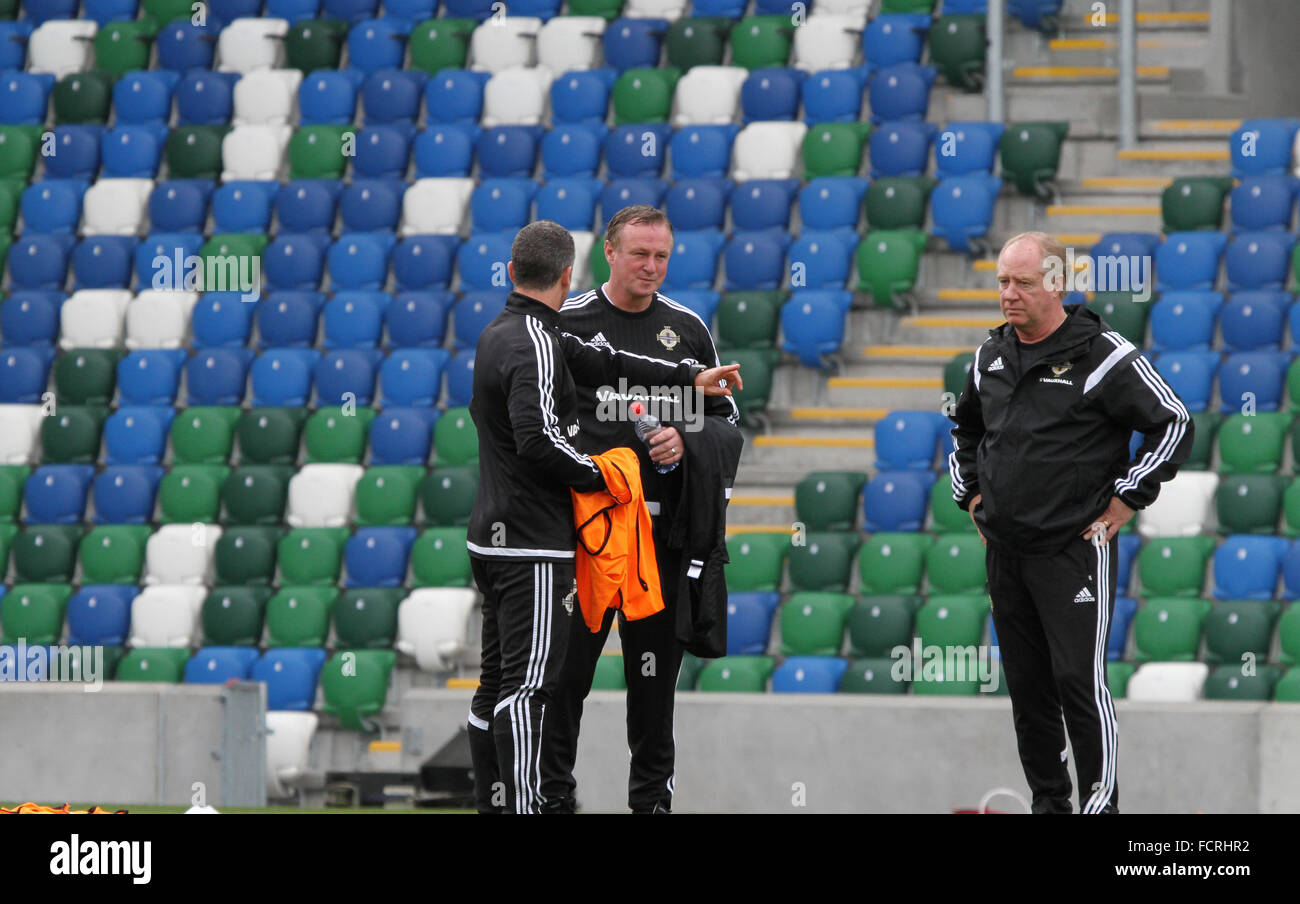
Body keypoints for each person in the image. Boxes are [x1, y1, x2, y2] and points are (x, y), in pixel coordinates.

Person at [466, 220, 741, 815]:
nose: (651, 265)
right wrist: (606, 477)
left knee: (653, 693)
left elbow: (728, 426)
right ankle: (553, 802)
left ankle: (650, 807)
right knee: (559, 687)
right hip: (583, 535)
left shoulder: (687, 328)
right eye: (640, 253)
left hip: (659, 539)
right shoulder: (563, 322)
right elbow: (540, 433)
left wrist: (685, 437)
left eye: (663, 255)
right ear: (606, 255)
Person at [948, 231, 1193, 814]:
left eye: (1023, 283)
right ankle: (1049, 805)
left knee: (1078, 686)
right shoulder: (990, 355)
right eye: (1003, 282)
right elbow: (966, 431)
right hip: (1007, 552)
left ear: (1057, 284)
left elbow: (1175, 422)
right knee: (1029, 695)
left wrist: (1129, 498)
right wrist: (973, 498)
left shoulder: (1103, 354)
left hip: (1074, 550)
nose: (1009, 294)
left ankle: (1099, 808)